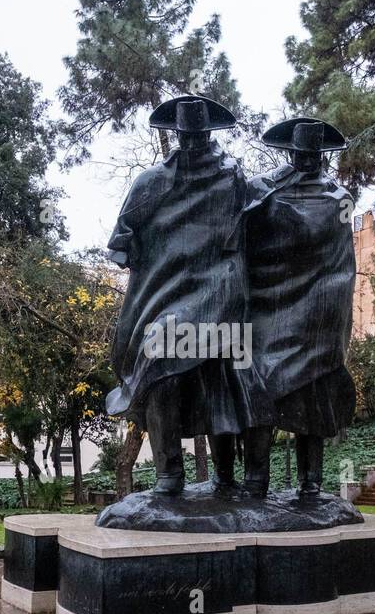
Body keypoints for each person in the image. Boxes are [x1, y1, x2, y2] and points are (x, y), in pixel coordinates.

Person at [105, 95, 271, 496]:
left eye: (198, 135)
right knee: (159, 359)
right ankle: (170, 471)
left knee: (211, 371)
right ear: (177, 134)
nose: (192, 142)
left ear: (208, 133)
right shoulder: (153, 181)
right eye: (186, 135)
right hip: (169, 291)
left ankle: (224, 476)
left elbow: (260, 224)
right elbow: (120, 241)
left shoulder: (232, 176)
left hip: (221, 290)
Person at [243, 117, 356, 498]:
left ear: (321, 155)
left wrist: (334, 319)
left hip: (318, 312)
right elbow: (238, 244)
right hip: (268, 306)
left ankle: (312, 483)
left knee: (314, 396)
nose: (307, 161)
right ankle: (255, 480)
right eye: (301, 155)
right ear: (290, 152)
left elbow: (343, 264)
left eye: (314, 155)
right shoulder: (262, 190)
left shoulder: (338, 199)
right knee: (260, 387)